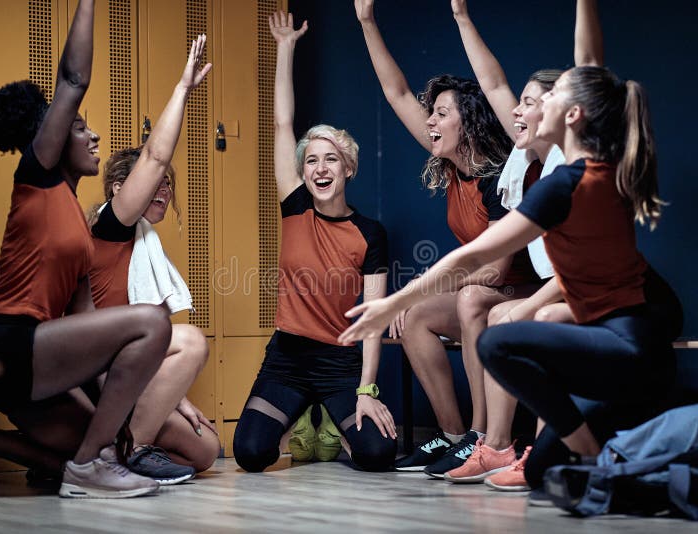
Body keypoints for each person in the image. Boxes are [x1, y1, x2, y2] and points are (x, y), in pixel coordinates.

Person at [339, 65, 682, 499]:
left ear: (573, 113)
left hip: (638, 338)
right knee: (545, 469)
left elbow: (478, 257)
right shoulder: (562, 179)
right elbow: (475, 254)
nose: (517, 110)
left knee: (501, 340)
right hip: (616, 343)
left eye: (544, 97)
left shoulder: (580, 179)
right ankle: (582, 459)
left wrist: (394, 301)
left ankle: (582, 456)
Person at [0, 0, 170, 498]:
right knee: (153, 321)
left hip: (35, 359)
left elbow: (87, 322)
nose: (94, 134)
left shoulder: (78, 225)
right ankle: (89, 468)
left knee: (92, 447)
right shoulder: (36, 178)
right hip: (9, 343)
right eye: (80, 128)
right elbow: (73, 78)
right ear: (53, 139)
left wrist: (112, 420)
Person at [355, 0, 541, 477]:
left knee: (472, 295)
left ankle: (483, 437)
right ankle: (456, 436)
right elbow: (396, 94)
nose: (430, 122)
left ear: (468, 123)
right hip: (484, 293)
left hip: (524, 292)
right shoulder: (452, 166)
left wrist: (460, 14)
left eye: (440, 114)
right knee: (416, 316)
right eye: (431, 115)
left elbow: (496, 271)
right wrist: (366, 22)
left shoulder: (499, 178)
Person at [442, 0, 601, 488]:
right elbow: (492, 83)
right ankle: (495, 445)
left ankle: (537, 449)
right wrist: (462, 17)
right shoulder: (522, 157)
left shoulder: (576, 159)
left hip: (581, 290)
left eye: (530, 102)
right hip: (551, 285)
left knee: (513, 318)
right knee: (487, 309)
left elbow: (589, 66)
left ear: (559, 110)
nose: (516, 108)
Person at [231, 11, 397, 473]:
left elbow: (371, 321)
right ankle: (305, 413)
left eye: (332, 160)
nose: (320, 168)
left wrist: (366, 390)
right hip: (288, 358)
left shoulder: (371, 234)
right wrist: (285, 47)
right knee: (251, 454)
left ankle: (331, 421)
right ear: (303, 172)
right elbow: (283, 124)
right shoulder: (295, 208)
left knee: (376, 455)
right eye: (312, 162)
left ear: (349, 170)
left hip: (340, 365)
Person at [88, 34, 219, 484]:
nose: (164, 190)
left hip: (130, 370)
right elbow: (158, 152)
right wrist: (182, 88)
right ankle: (128, 450)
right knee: (193, 340)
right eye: (155, 183)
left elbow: (155, 349)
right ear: (119, 190)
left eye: (169, 185)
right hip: (99, 370)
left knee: (207, 449)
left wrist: (174, 396)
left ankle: (126, 436)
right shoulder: (112, 224)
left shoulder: (148, 247)